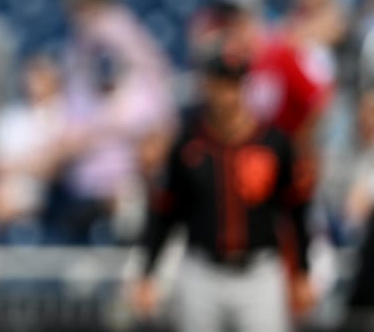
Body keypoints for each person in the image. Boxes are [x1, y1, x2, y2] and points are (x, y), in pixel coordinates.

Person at [131, 46, 315, 332]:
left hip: (259, 272)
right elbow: (164, 211)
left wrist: (302, 272)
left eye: (233, 83)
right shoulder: (189, 144)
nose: (226, 93)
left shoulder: (273, 142)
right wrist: (147, 272)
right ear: (207, 86)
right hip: (202, 271)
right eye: (219, 83)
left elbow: (296, 211)